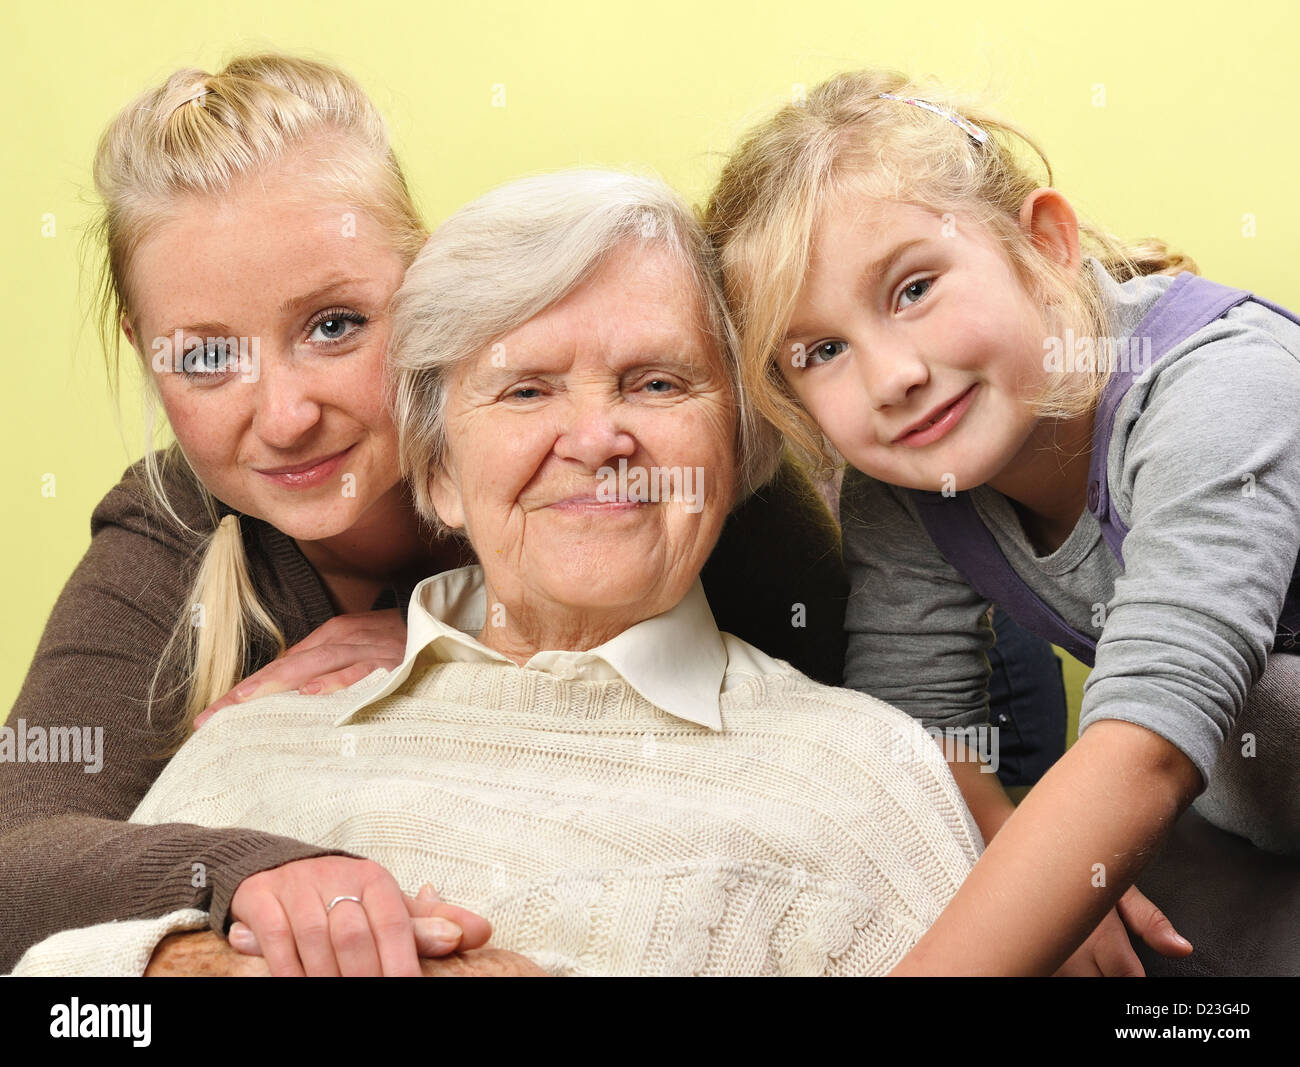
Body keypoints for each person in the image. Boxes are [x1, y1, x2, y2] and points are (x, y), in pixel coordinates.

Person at [11, 170, 983, 978]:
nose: (598, 437)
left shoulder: (855, 780)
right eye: (525, 389)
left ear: (735, 446)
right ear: (434, 468)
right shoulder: (246, 743)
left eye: (655, 382)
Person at [702, 68, 1300, 976]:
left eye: (912, 289)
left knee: (1228, 730)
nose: (891, 375)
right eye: (822, 350)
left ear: (1046, 244)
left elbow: (1154, 735)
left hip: (1220, 744)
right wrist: (1030, 865)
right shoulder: (907, 483)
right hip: (1247, 814)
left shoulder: (1220, 387)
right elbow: (920, 733)